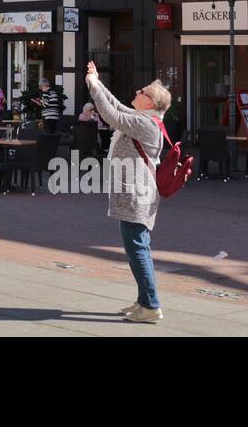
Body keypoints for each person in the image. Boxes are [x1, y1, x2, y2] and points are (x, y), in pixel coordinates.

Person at [85, 61, 171, 325]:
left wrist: (93, 85)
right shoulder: (144, 119)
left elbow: (112, 116)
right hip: (136, 194)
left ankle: (151, 305)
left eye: (142, 92)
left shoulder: (147, 125)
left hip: (137, 195)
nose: (137, 92)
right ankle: (144, 301)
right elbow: (118, 107)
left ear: (150, 103)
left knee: (137, 249)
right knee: (137, 247)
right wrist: (97, 83)